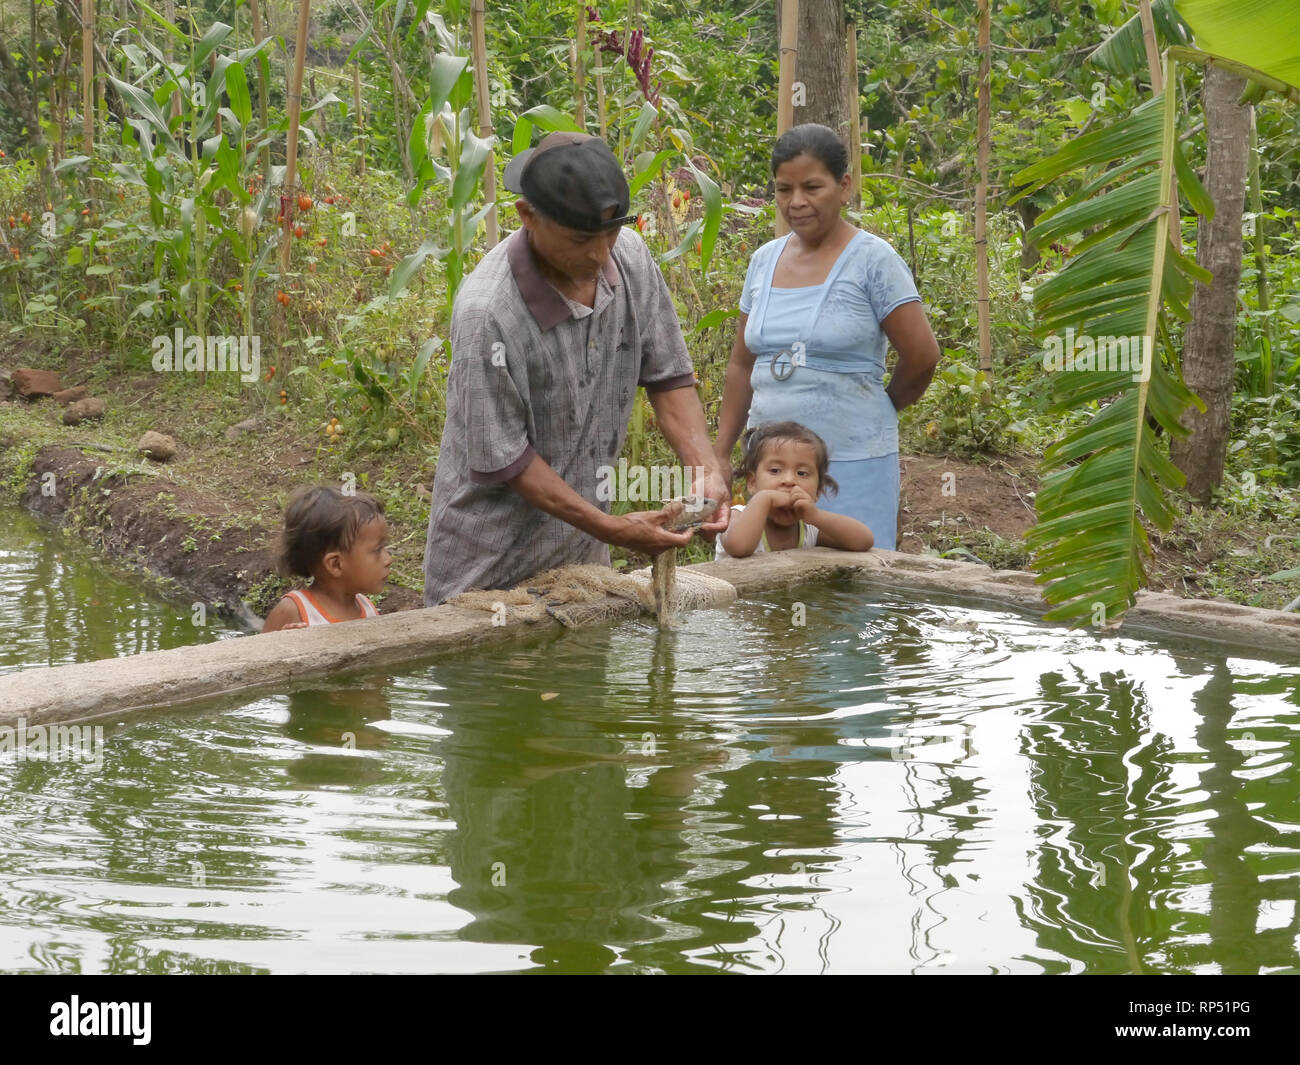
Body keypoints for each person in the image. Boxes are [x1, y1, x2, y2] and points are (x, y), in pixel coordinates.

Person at [422, 131, 729, 605]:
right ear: (527, 215)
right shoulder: (489, 314)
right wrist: (613, 528)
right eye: (582, 239)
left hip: (582, 568)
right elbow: (506, 459)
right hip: (487, 572)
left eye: (611, 233)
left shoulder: (629, 257)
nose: (600, 253)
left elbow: (667, 376)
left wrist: (704, 468)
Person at [712, 123, 941, 551]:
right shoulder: (763, 261)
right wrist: (721, 454)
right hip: (774, 468)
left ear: (844, 186)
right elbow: (742, 364)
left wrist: (880, 406)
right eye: (784, 189)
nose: (796, 202)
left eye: (812, 187)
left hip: (853, 461)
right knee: (767, 595)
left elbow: (923, 356)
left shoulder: (873, 261)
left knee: (851, 595)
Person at [716, 420, 873, 559]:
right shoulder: (736, 516)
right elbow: (739, 547)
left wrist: (817, 516)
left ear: (817, 492)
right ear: (752, 483)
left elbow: (863, 541)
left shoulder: (810, 530)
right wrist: (763, 499)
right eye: (775, 470)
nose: (789, 481)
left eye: (802, 473)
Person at [261, 485, 391, 632]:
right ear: (336, 564)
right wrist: (285, 644)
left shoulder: (367, 609)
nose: (388, 560)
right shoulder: (294, 611)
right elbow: (257, 652)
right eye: (377, 550)